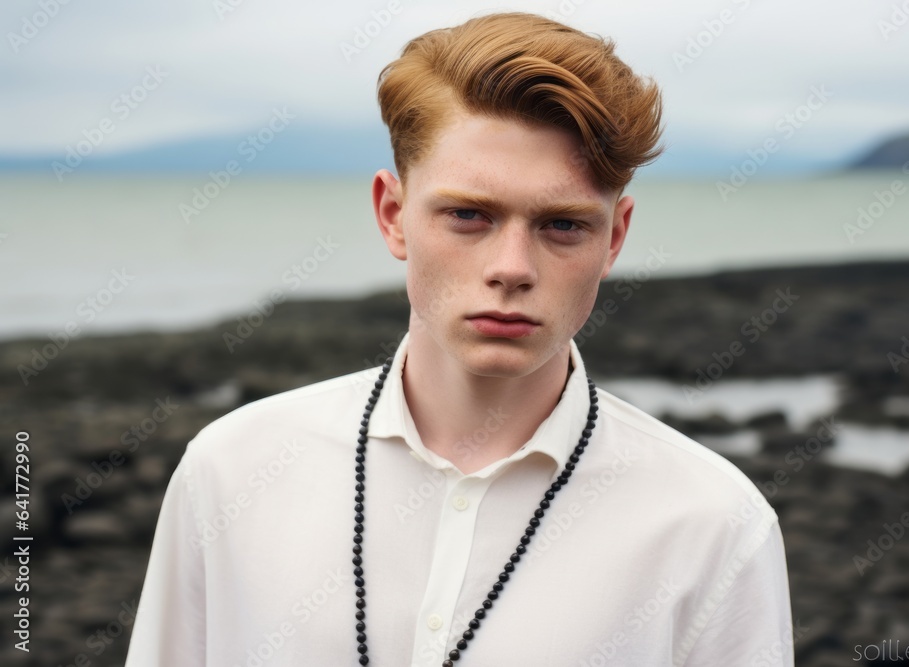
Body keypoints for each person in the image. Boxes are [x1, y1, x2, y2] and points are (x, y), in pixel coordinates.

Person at [125, 12, 793, 667]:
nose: (512, 267)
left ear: (614, 238)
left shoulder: (715, 526)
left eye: (562, 225)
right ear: (393, 215)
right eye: (469, 214)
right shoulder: (230, 472)